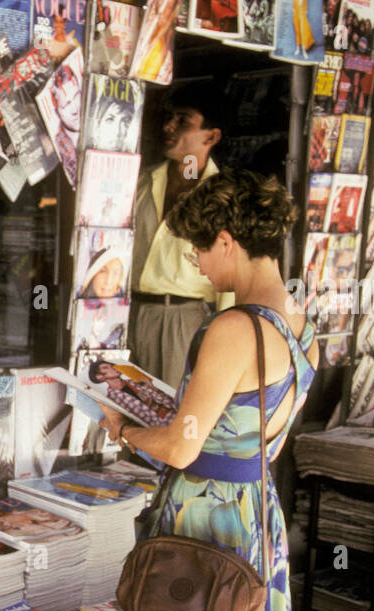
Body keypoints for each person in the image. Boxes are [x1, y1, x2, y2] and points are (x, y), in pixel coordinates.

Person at [92, 169, 318, 611]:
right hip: (253, 510)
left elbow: (184, 444)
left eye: (198, 249)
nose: (194, 262)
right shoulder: (293, 316)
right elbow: (234, 423)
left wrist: (125, 430)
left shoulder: (232, 326)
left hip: (205, 520)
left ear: (227, 239)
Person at [129, 83, 234, 392]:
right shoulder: (142, 181)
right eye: (169, 118)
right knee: (124, 409)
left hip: (185, 321)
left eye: (183, 121)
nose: (168, 127)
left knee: (174, 414)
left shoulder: (224, 199)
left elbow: (230, 285)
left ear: (211, 137)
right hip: (130, 313)